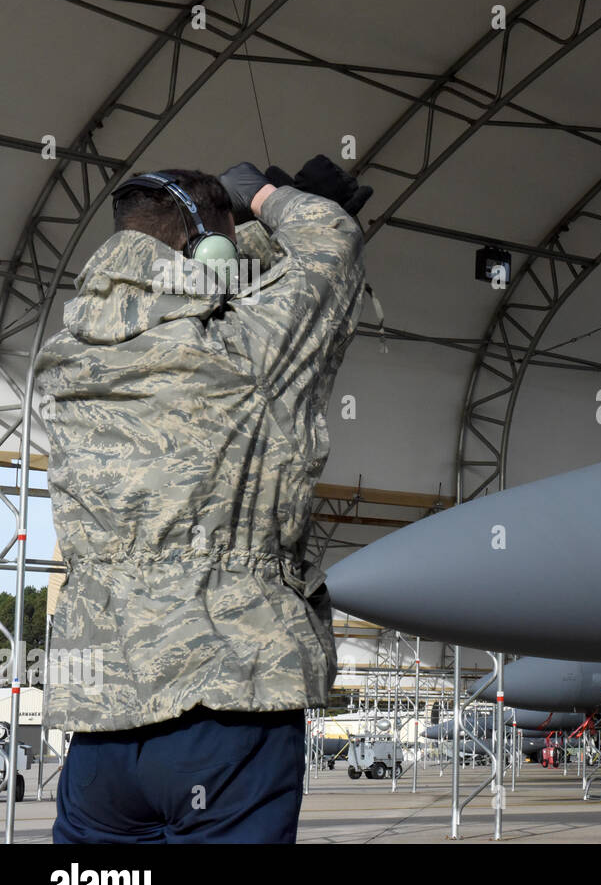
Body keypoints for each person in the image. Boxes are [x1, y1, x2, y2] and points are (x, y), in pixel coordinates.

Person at [35, 156, 371, 842]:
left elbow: (179, 279)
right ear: (210, 252)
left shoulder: (66, 359)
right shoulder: (248, 352)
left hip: (102, 723)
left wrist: (241, 232)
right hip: (228, 702)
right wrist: (272, 200)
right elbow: (331, 241)